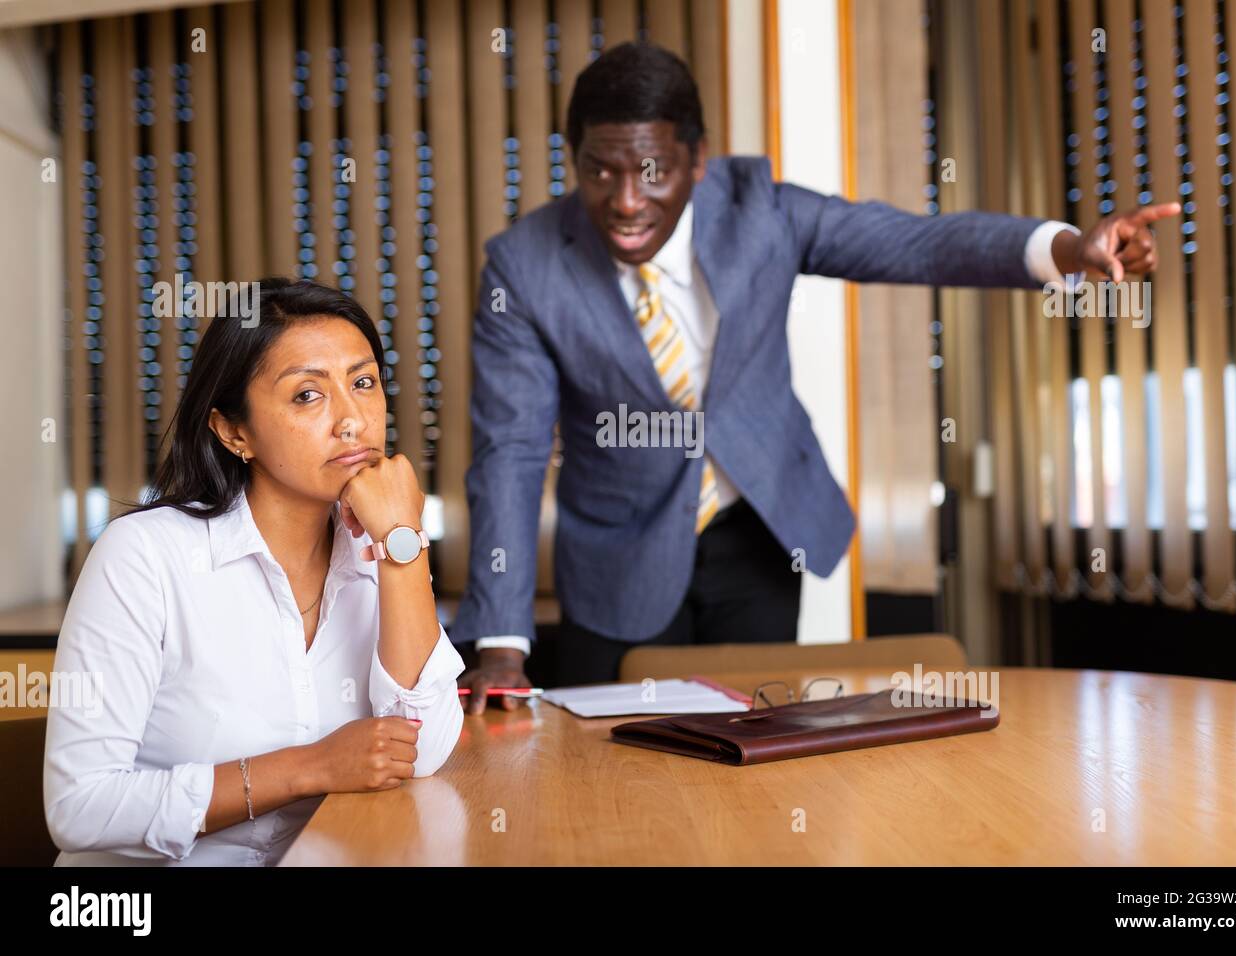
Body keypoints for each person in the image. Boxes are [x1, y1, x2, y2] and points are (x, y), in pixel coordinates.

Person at [453, 42, 1178, 706]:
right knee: (615, 783)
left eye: (653, 171)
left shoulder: (760, 211)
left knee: (756, 754)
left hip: (762, 530)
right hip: (616, 549)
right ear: (572, 157)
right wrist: (502, 645)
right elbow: (510, 453)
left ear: (697, 160)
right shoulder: (524, 266)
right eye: (599, 170)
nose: (627, 200)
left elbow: (917, 245)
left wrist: (1068, 248)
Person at [44, 278, 465, 865]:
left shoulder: (379, 548)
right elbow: (80, 809)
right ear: (233, 431)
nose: (353, 421)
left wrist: (403, 544)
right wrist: (309, 767)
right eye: (307, 396)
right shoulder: (143, 556)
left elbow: (421, 751)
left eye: (364, 383)